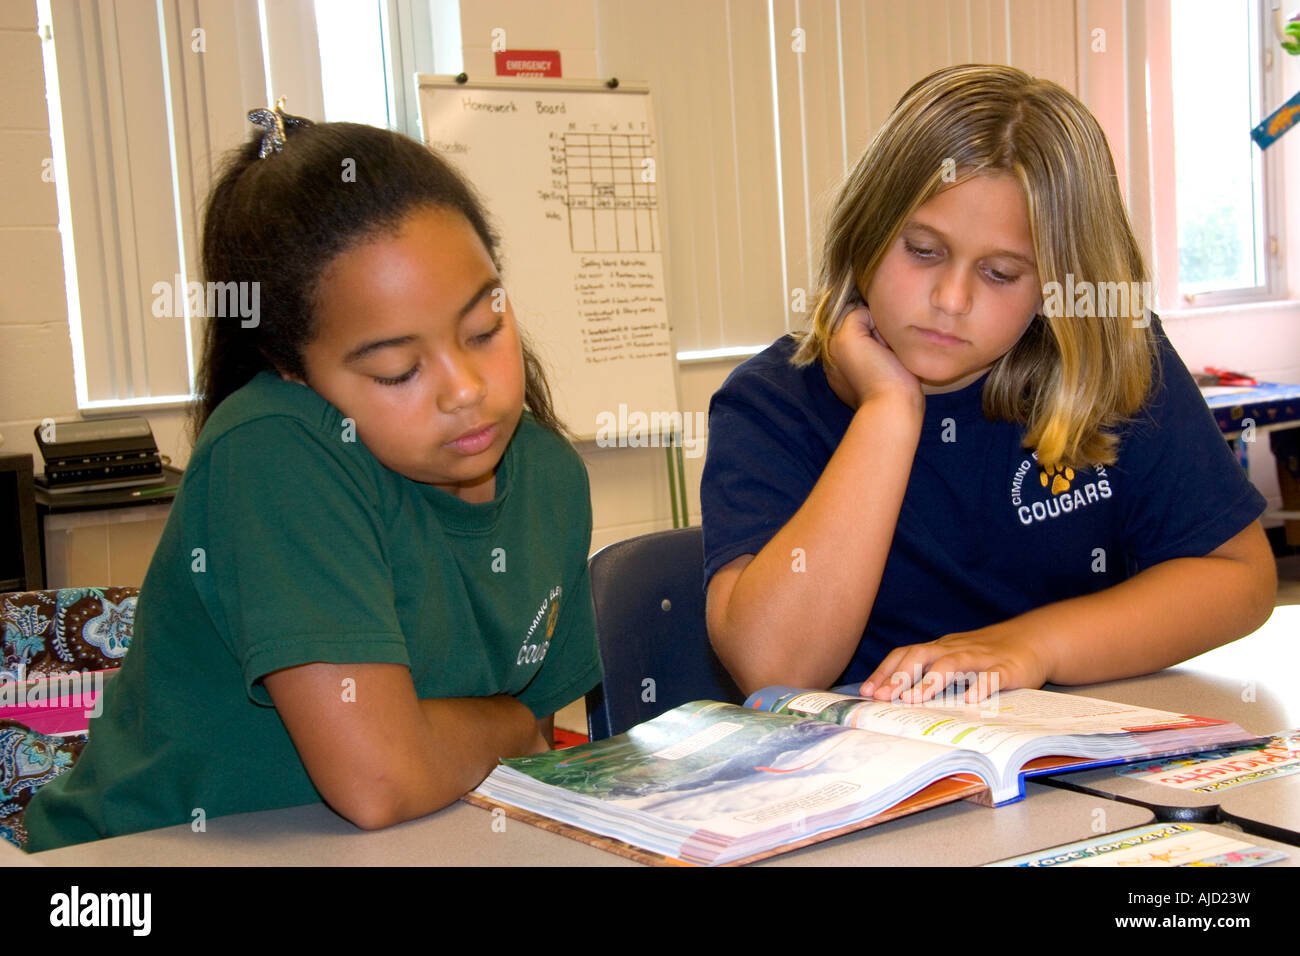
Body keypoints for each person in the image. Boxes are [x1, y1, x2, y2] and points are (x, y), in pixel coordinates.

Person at [21, 107, 601, 851]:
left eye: (484, 329)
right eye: (397, 369)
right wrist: (505, 726)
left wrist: (502, 735)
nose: (466, 389)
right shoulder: (273, 451)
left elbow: (535, 756)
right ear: (292, 370)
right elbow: (380, 778)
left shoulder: (549, 476)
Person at [701, 64, 1276, 705]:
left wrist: (1034, 644)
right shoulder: (771, 404)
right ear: (864, 235)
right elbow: (777, 668)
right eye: (921, 250)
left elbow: (1241, 580)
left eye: (1001, 273)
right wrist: (889, 412)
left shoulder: (1111, 361)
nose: (950, 299)